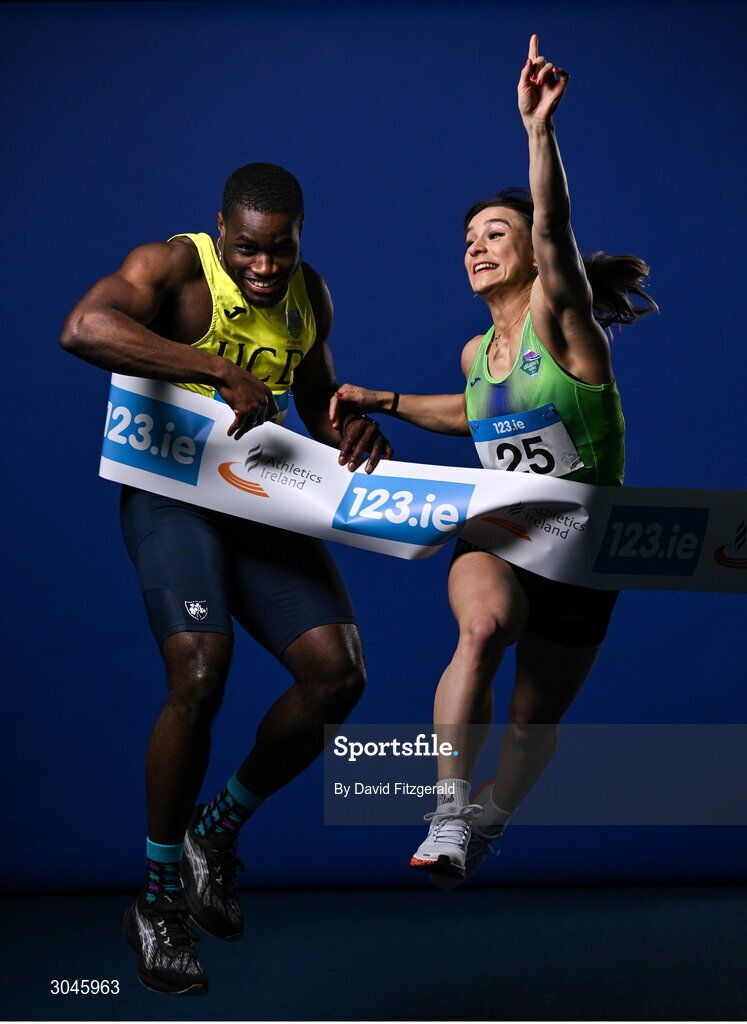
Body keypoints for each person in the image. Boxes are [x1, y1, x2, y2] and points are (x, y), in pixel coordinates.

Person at [330, 36, 657, 887]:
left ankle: (489, 819)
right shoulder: (476, 354)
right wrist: (384, 401)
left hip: (586, 549)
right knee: (478, 631)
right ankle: (443, 817)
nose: (477, 247)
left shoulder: (565, 326)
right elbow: (469, 416)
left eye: (495, 233)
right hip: (509, 528)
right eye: (469, 237)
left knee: (527, 726)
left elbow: (554, 232)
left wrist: (537, 131)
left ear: (530, 251)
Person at [60, 162, 393, 994]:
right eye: (250, 249)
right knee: (200, 674)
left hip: (259, 496)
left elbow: (320, 402)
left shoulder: (308, 292)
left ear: (299, 237)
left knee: (336, 676)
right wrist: (214, 368)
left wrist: (350, 431)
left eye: (279, 250)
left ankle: (220, 829)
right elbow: (84, 327)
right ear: (221, 230)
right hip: (173, 492)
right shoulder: (175, 267)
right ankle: (159, 895)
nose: (265, 267)